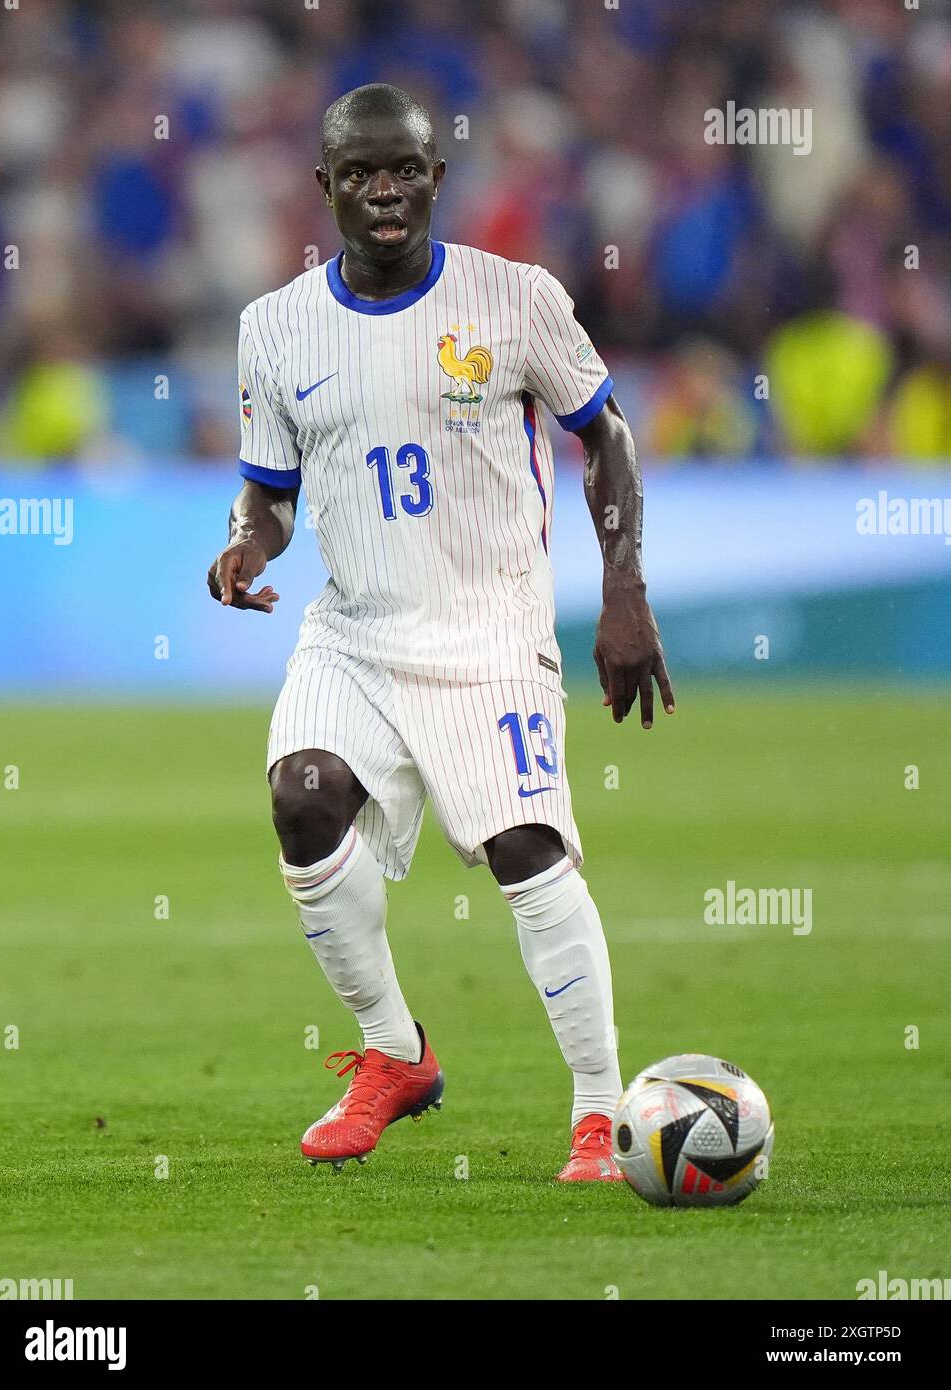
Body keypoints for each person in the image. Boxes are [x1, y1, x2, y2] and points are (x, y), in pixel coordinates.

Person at [207, 84, 674, 1182]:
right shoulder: (273, 329)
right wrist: (244, 545)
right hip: (356, 632)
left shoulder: (512, 298)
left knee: (527, 852)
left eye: (404, 170)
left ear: (436, 180)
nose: (384, 191)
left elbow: (603, 437)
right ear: (323, 187)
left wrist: (623, 590)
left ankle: (600, 1115)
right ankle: (394, 1053)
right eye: (360, 173)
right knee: (300, 795)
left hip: (490, 630)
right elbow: (270, 494)